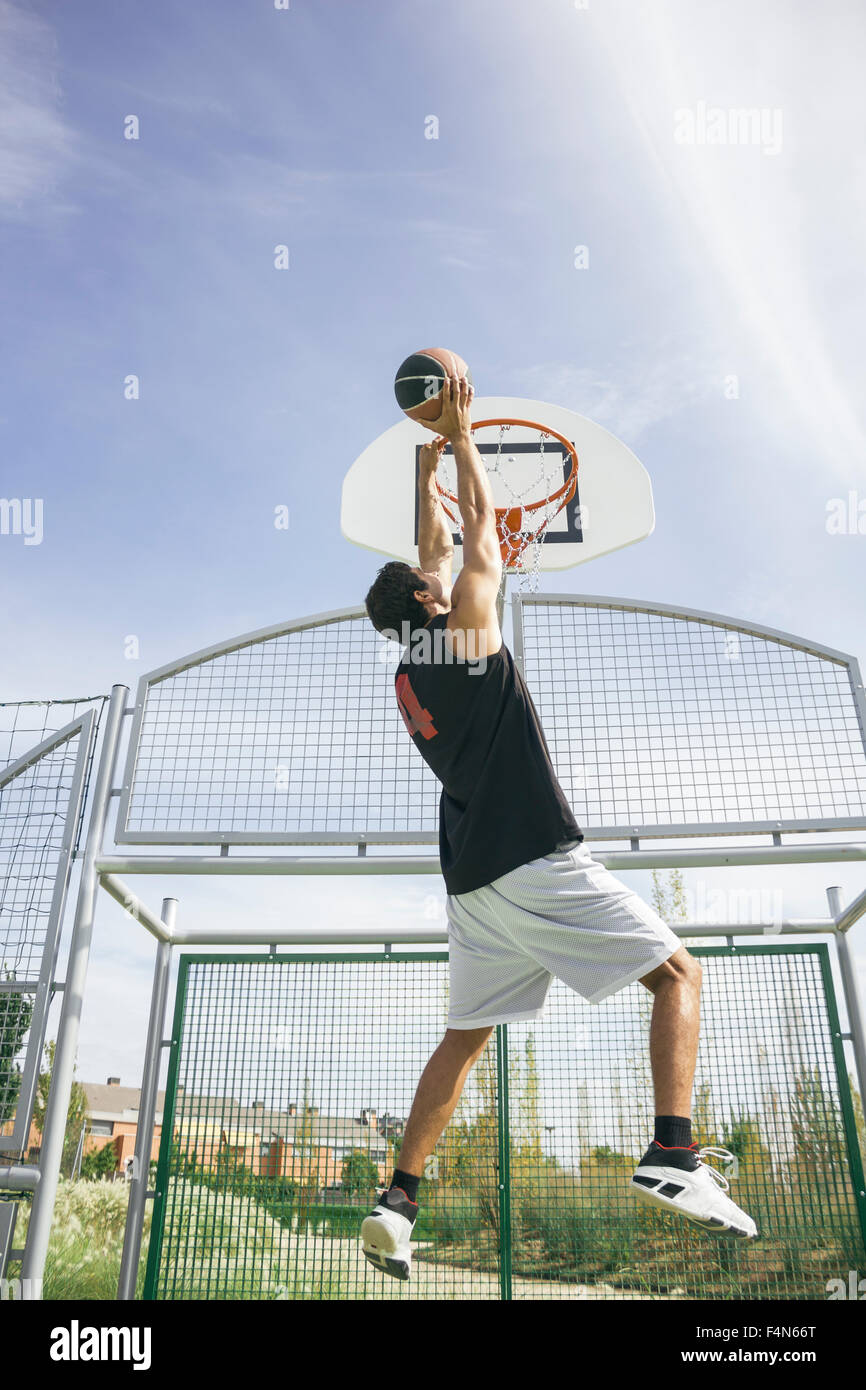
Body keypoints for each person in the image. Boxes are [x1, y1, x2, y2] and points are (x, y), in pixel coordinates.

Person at [360, 374, 757, 1280]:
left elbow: (439, 552)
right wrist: (461, 440)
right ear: (431, 600)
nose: (446, 568)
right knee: (677, 975)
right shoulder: (464, 630)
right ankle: (671, 1151)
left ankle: (399, 1198)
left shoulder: (411, 671)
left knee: (464, 1038)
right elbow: (484, 547)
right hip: (533, 858)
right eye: (437, 576)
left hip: (472, 886)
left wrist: (424, 482)